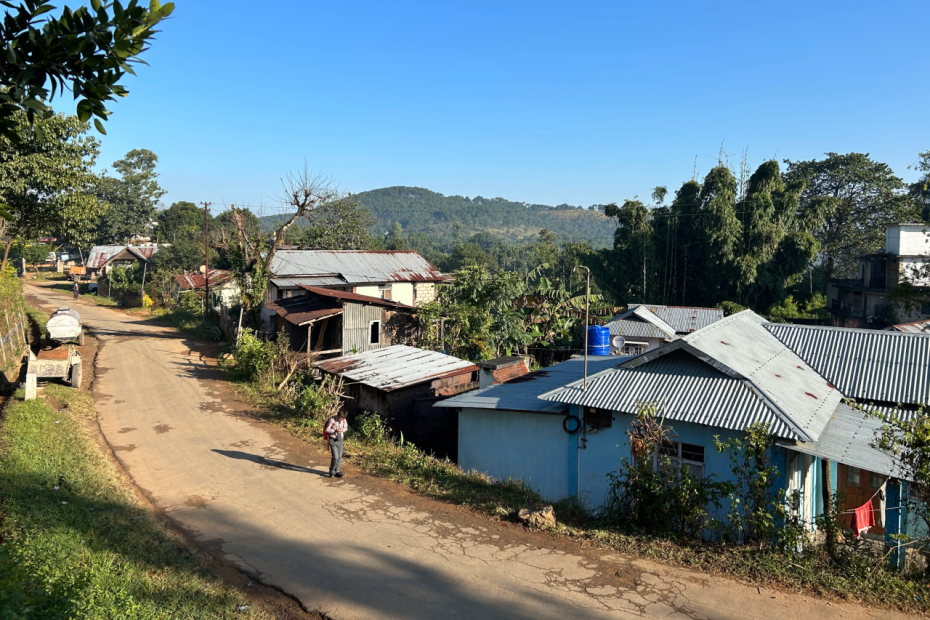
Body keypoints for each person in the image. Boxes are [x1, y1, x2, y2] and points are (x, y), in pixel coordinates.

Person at [323, 412, 348, 478]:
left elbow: (346, 428)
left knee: (339, 457)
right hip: (333, 440)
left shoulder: (344, 420)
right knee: (335, 457)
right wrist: (334, 429)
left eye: (342, 419)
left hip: (340, 439)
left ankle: (337, 471)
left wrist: (341, 430)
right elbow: (327, 430)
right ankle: (331, 470)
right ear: (338, 415)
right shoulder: (332, 420)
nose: (341, 419)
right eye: (340, 418)